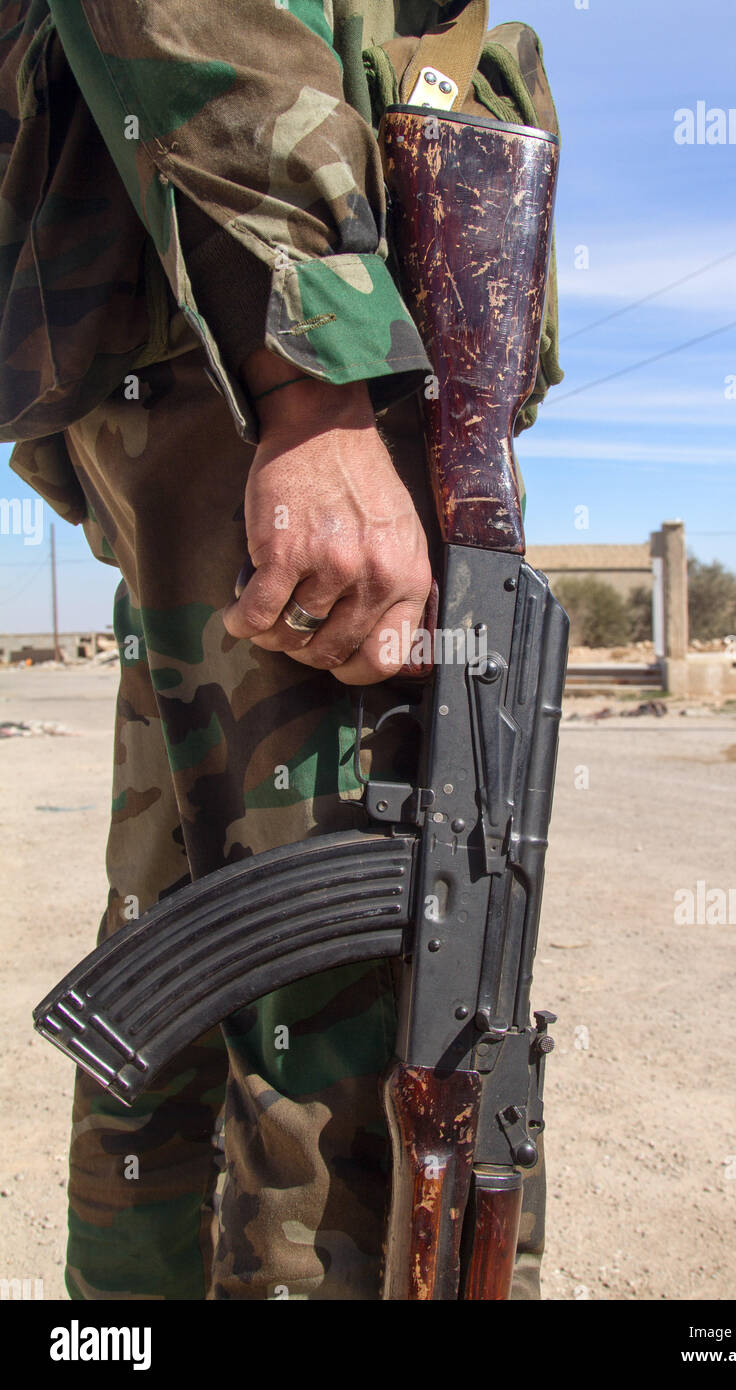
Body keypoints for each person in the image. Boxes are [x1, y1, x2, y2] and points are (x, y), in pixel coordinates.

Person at [0, 0, 559, 1299]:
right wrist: (313, 371)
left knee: (197, 963)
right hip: (275, 327)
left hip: (225, 314)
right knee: (382, 1039)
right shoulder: (305, 366)